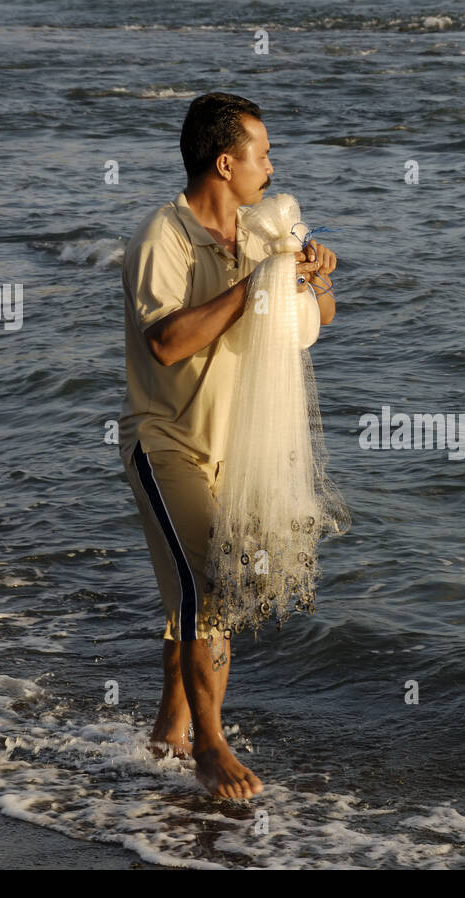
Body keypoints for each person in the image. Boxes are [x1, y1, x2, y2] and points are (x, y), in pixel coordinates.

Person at [118, 92, 337, 799]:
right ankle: (211, 748)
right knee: (209, 585)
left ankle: (168, 734)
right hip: (167, 444)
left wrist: (314, 278)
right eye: (262, 153)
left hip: (233, 454)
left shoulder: (257, 232)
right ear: (224, 163)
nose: (271, 166)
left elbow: (313, 322)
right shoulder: (164, 236)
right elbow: (166, 341)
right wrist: (255, 285)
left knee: (195, 591)